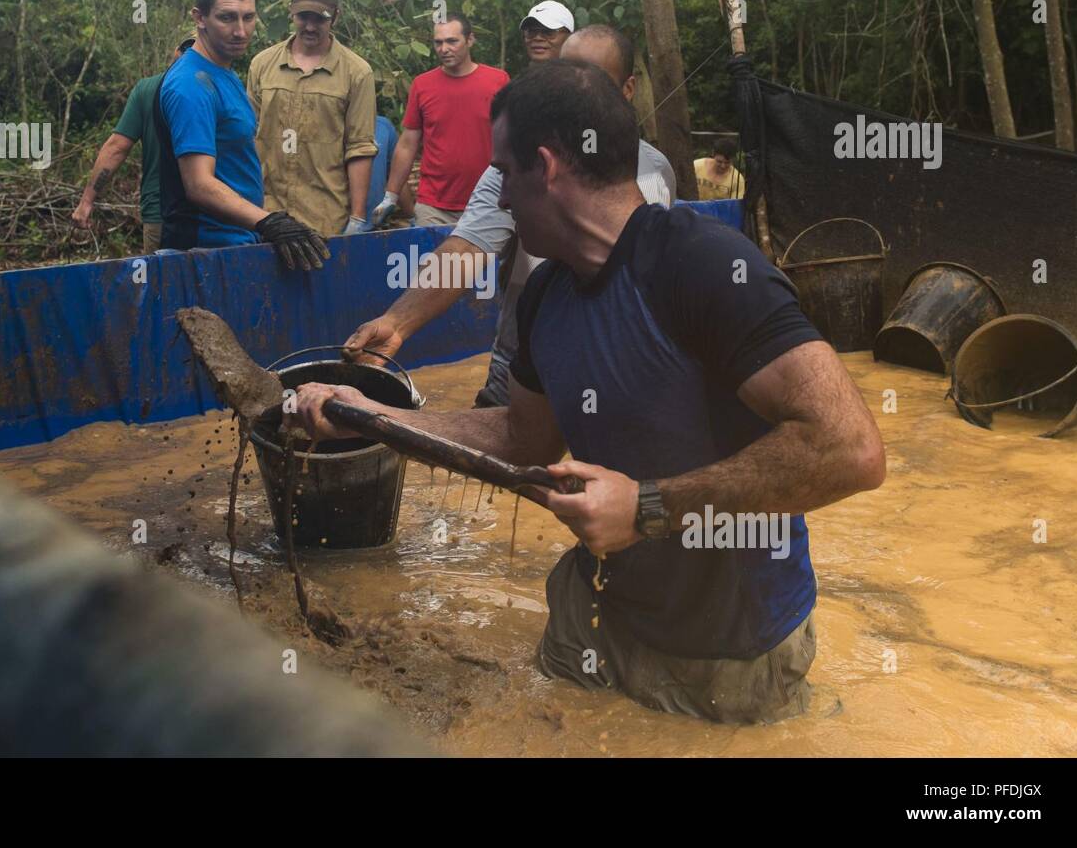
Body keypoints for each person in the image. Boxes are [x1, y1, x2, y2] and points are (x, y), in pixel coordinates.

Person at [298, 60, 886, 723]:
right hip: (592, 615)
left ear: (546, 168)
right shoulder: (545, 295)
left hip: (729, 651)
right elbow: (521, 440)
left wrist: (648, 507)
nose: (502, 200)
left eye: (504, 174)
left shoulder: (704, 265)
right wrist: (374, 417)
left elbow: (850, 447)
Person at [345, 24, 676, 407]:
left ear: (627, 90)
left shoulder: (657, 170)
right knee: (501, 449)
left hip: (621, 367)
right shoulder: (517, 167)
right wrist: (397, 323)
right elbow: (466, 249)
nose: (574, 90)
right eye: (565, 75)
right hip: (524, 362)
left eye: (594, 81)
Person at [155, 0, 329, 271]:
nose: (240, 31)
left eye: (248, 17)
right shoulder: (190, 85)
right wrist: (269, 222)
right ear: (199, 18)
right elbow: (199, 184)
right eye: (227, 18)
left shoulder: (224, 71)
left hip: (238, 244)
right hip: (204, 254)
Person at [247, 0, 378, 238]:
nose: (309, 26)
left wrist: (358, 217)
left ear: (335, 17)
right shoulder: (262, 65)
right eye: (303, 16)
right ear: (292, 12)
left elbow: (360, 147)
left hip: (325, 217)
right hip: (266, 213)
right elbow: (247, 137)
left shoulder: (357, 73)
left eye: (319, 18)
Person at [370, 14, 508, 227]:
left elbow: (510, 139)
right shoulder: (422, 85)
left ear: (469, 40)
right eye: (438, 42)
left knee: (489, 262)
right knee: (435, 261)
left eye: (452, 41)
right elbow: (407, 144)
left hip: (488, 201)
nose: (444, 49)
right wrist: (391, 195)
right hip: (434, 205)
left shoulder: (497, 80)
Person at [71, 37, 194, 254]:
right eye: (187, 47)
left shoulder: (150, 89)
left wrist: (86, 203)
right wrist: (86, 201)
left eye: (195, 47)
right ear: (175, 51)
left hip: (198, 215)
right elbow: (116, 147)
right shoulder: (148, 90)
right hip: (173, 214)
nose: (189, 53)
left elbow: (117, 147)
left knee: (165, 285)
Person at [366, 115, 415, 225]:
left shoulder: (383, 126)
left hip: (374, 225)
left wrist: (412, 218)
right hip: (335, 226)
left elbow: (396, 176)